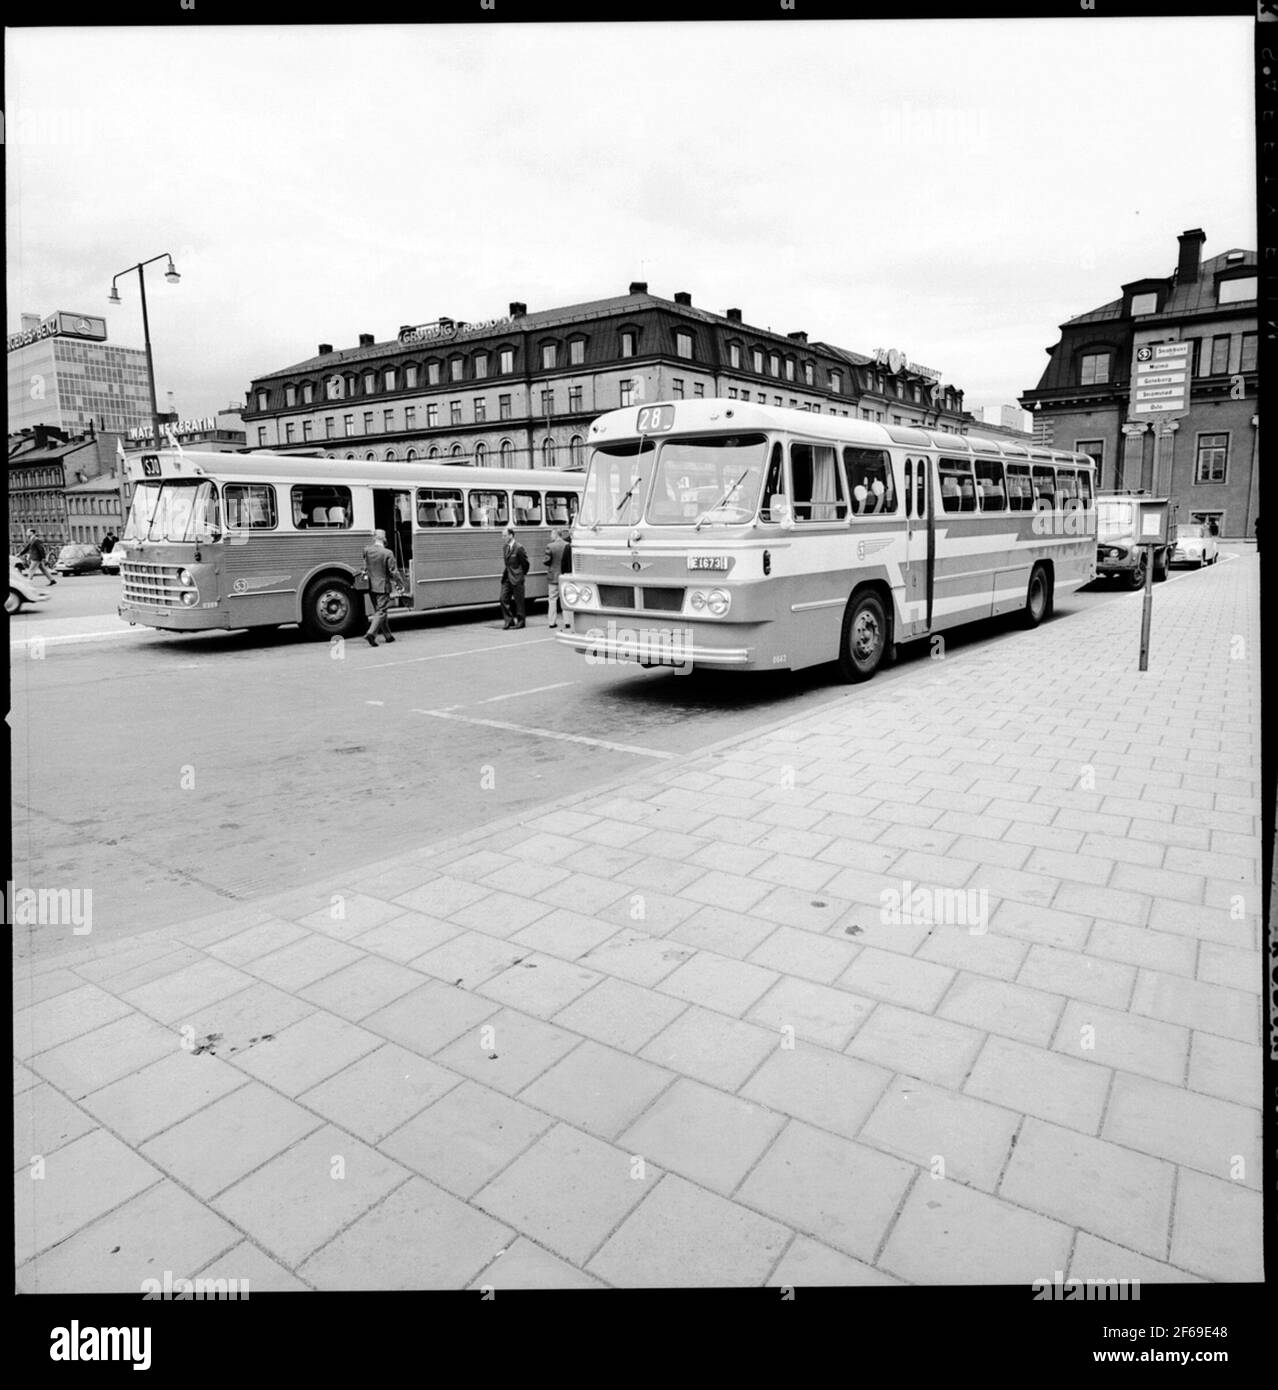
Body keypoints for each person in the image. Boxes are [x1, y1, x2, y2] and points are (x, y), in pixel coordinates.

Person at [362, 528, 400, 646]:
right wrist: (400, 583)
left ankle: (388, 636)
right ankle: (371, 634)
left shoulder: (367, 550)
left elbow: (365, 567)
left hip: (370, 586)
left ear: (374, 538)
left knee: (380, 611)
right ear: (384, 539)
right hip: (383, 586)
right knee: (381, 611)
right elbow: (393, 572)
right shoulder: (387, 553)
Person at [500, 524, 529, 629]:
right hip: (507, 577)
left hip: (517, 578)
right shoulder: (505, 547)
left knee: (519, 601)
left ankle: (521, 622)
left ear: (511, 535)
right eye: (502, 536)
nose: (503, 538)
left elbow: (525, 564)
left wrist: (520, 574)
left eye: (504, 535)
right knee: (503, 598)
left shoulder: (519, 548)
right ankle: (509, 621)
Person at [544, 527, 572, 629]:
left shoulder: (550, 546)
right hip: (565, 576)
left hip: (553, 577)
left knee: (552, 599)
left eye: (552, 534)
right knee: (565, 599)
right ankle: (567, 622)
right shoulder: (567, 545)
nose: (550, 536)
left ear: (556, 534)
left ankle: (552, 622)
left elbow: (547, 561)